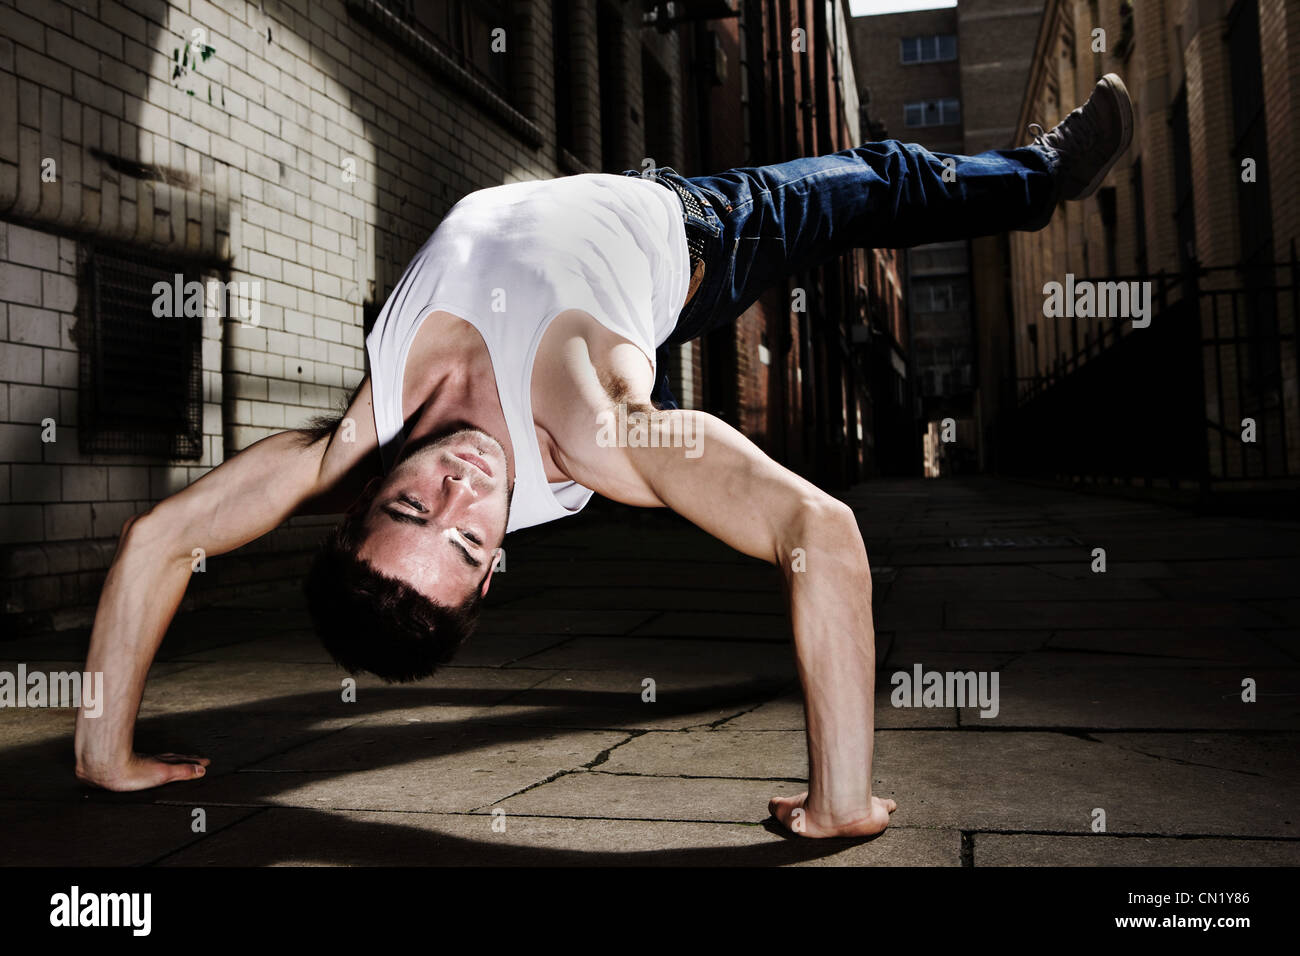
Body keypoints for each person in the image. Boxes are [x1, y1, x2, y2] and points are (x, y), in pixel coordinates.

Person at [73, 75, 1133, 838]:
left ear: (359, 500)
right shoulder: (596, 432)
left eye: (410, 509)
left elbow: (161, 535)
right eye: (468, 536)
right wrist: (839, 799)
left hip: (596, 184)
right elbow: (821, 531)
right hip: (708, 226)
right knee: (884, 177)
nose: (461, 489)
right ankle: (1041, 178)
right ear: (495, 564)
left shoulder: (351, 434)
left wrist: (103, 748)